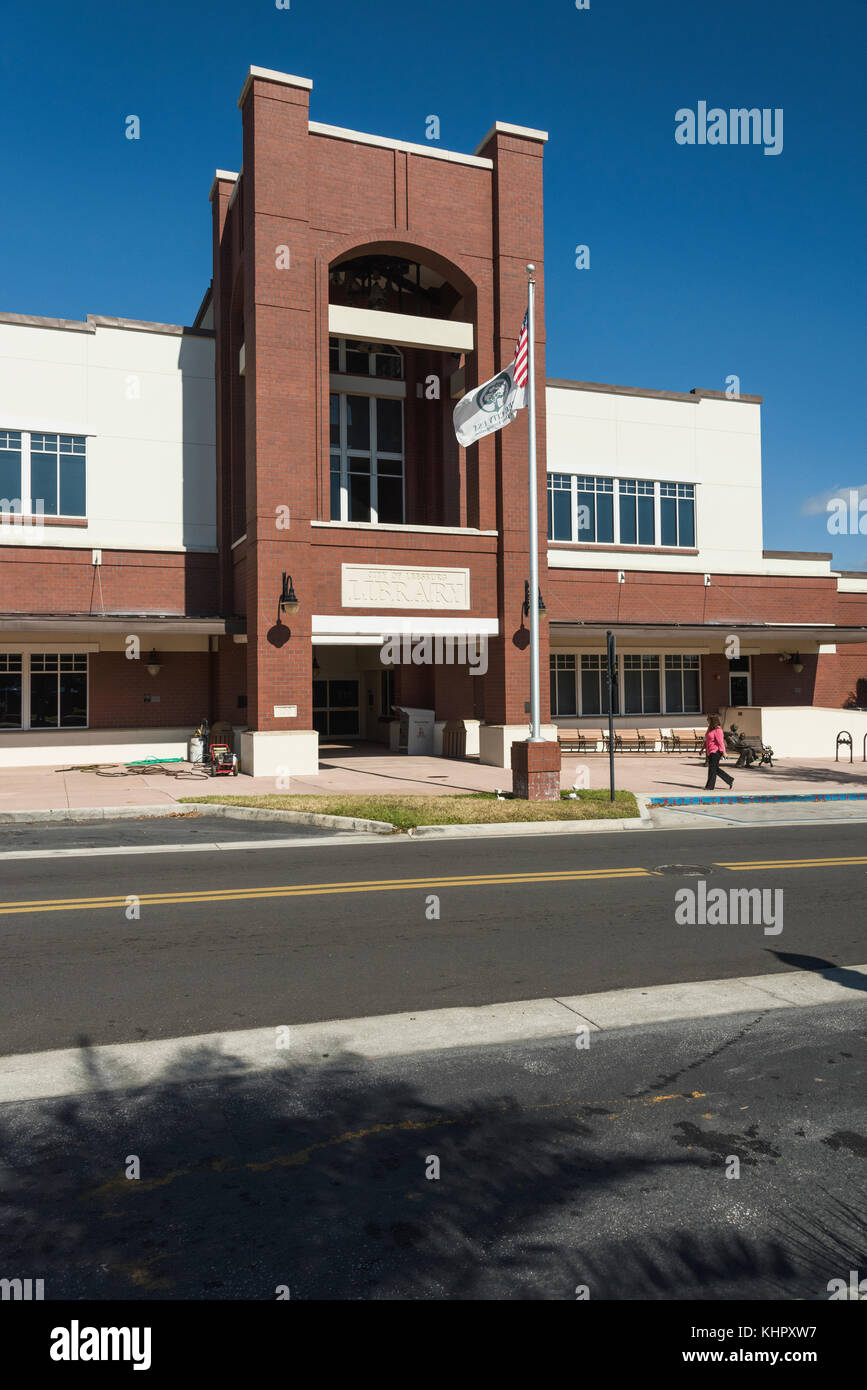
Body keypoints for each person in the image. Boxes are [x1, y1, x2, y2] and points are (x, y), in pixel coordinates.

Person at [704, 714, 734, 790]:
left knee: (712, 769)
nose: (707, 722)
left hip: (716, 751)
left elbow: (720, 742)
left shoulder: (718, 730)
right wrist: (702, 748)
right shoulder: (710, 729)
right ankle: (729, 779)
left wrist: (723, 752)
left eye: (709, 720)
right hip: (710, 751)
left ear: (713, 721)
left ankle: (710, 786)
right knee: (714, 769)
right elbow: (707, 740)